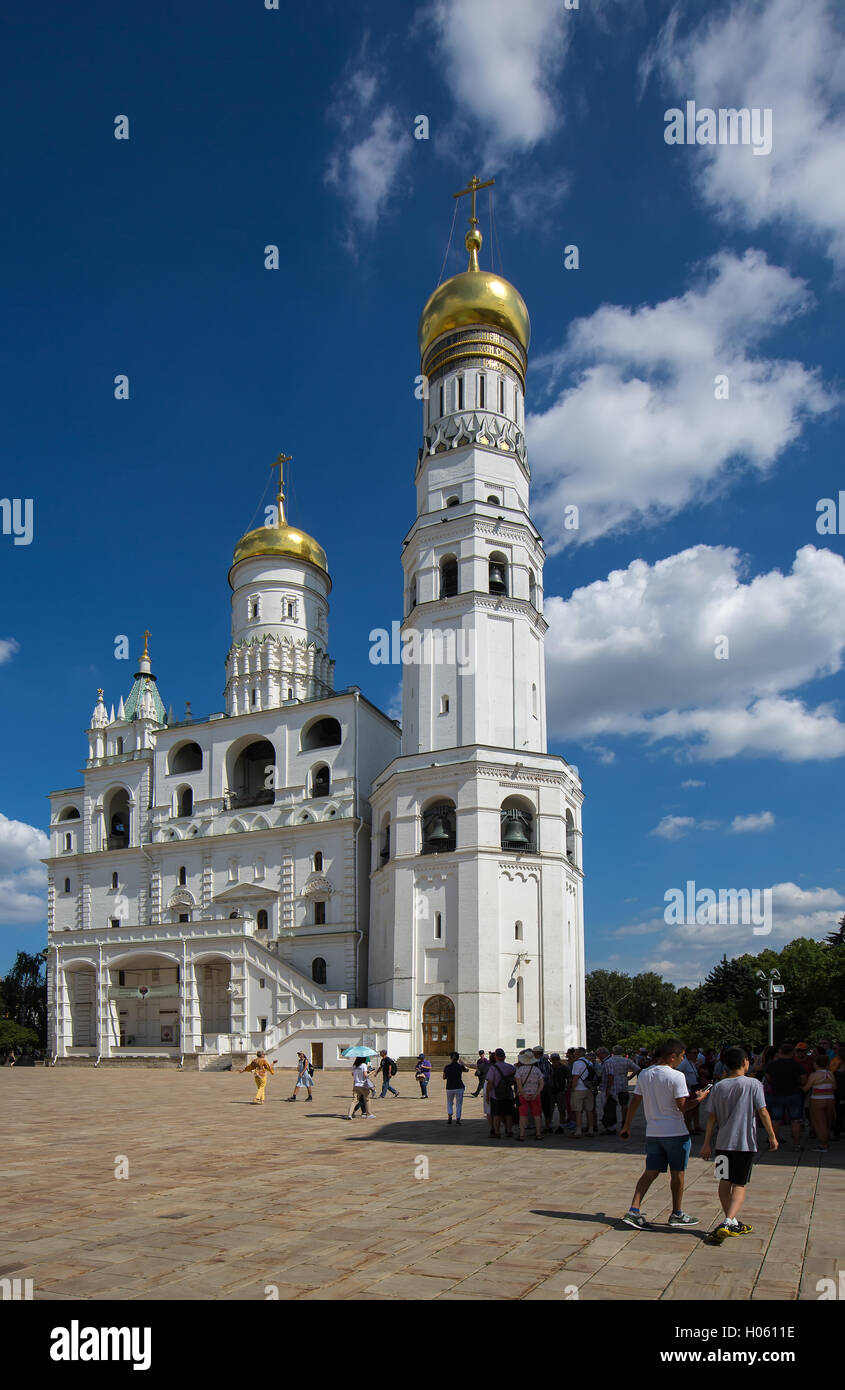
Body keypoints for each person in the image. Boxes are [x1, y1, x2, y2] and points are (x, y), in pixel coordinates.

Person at [620, 1037, 711, 1229]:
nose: (682, 1060)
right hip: (675, 1133)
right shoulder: (676, 1076)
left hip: (653, 1132)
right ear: (672, 1056)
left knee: (650, 1172)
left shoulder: (645, 1074)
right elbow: (683, 1107)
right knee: (677, 1174)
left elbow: (635, 1101)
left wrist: (626, 1125)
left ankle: (634, 1209)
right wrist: (700, 1099)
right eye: (681, 1056)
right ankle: (677, 1213)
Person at [701, 1046, 778, 1243]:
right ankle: (728, 1221)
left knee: (724, 1182)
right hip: (744, 1144)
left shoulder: (719, 1086)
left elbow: (711, 1118)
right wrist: (772, 1136)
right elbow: (763, 1112)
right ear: (745, 1062)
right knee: (740, 1183)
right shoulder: (753, 1084)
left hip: (723, 1143)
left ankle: (732, 1221)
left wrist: (706, 1143)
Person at [763, 1042, 806, 1151]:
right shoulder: (797, 1065)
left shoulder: (773, 1065)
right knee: (795, 1120)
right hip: (794, 1094)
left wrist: (774, 1082)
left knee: (776, 1120)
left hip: (777, 1094)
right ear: (792, 1053)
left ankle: (773, 1143)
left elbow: (767, 1076)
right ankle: (796, 1144)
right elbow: (803, 1080)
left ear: (780, 1052)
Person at [802, 1049, 836, 1152]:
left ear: (816, 1064)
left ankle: (823, 1144)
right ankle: (826, 1141)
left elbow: (806, 1088)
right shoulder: (830, 1074)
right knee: (828, 1121)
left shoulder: (814, 1075)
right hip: (830, 1098)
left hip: (817, 1099)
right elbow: (834, 1087)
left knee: (819, 1122)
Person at [601, 1045, 639, 1135]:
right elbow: (637, 1068)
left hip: (613, 1085)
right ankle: (624, 1121)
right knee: (624, 1105)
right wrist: (630, 1077)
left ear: (613, 1052)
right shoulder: (626, 1060)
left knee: (611, 1105)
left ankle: (612, 1124)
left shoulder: (609, 1061)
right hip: (623, 1084)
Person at [486, 1048, 516, 1139]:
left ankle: (497, 1132)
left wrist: (487, 1095)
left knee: (496, 1114)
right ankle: (509, 1130)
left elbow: (490, 1082)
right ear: (504, 1057)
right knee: (508, 1113)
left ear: (496, 1057)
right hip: (508, 1093)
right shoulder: (511, 1067)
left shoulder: (493, 1068)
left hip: (496, 1094)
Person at [515, 1049, 545, 1140]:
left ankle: (522, 1135)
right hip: (535, 1095)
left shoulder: (519, 1070)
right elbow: (542, 1083)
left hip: (523, 1096)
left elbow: (519, 1085)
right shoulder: (536, 1070)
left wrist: (523, 1094)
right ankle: (538, 1134)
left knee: (523, 1115)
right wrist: (537, 1093)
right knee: (536, 1115)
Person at [570, 1048, 598, 1137]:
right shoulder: (589, 1062)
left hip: (579, 1088)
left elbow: (575, 1077)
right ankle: (590, 1129)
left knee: (578, 1110)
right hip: (588, 1088)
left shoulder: (577, 1063)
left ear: (577, 1054)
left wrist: (573, 1089)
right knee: (589, 1110)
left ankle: (578, 1130)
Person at [678, 1046, 702, 1135]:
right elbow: (678, 1071)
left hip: (695, 1087)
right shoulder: (684, 1063)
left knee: (696, 1108)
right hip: (689, 1089)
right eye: (694, 1053)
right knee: (689, 1110)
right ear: (687, 1054)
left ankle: (696, 1126)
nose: (696, 1055)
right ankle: (688, 1128)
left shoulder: (691, 1063)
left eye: (697, 1053)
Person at [443, 1052, 469, 1124]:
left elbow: (444, 1077)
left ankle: (450, 1114)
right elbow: (467, 1070)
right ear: (458, 1058)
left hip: (450, 1087)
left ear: (451, 1058)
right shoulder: (460, 1066)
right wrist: (463, 1064)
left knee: (449, 1102)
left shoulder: (447, 1067)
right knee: (459, 1103)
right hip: (459, 1086)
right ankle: (458, 1118)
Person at [549, 1053, 570, 1132]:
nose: (555, 1061)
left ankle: (562, 1125)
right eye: (553, 1059)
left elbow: (569, 1079)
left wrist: (567, 1088)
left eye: (556, 1059)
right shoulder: (549, 1068)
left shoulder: (564, 1068)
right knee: (550, 1109)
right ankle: (549, 1125)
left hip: (560, 1091)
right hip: (551, 1091)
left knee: (562, 1109)